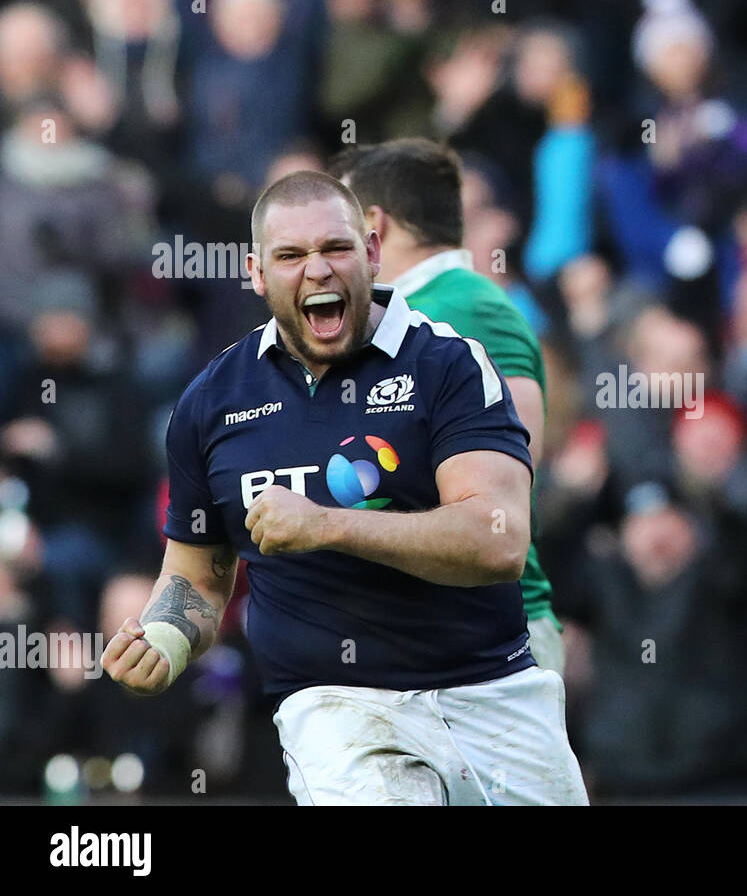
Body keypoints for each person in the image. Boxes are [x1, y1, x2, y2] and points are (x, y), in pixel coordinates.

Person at [101, 170, 587, 806]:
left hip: (490, 691)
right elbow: (196, 576)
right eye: (291, 256)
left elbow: (496, 540)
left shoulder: (450, 363)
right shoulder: (210, 404)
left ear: (372, 253)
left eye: (336, 248)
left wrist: (326, 524)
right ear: (256, 273)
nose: (318, 271)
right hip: (335, 706)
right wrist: (162, 643)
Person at [328, 139, 567, 675]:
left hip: (486, 635)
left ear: (374, 225)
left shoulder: (470, 310)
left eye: (334, 231)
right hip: (421, 629)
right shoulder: (402, 315)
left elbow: (512, 476)